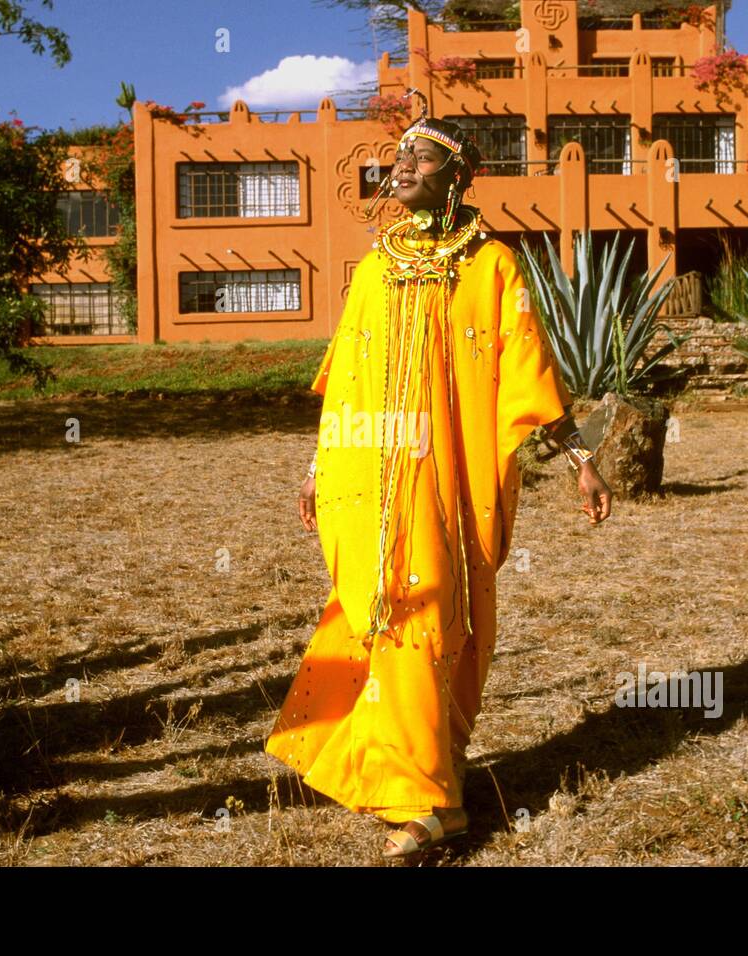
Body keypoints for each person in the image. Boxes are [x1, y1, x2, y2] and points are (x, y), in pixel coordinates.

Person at [264, 91, 613, 860]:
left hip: (446, 485)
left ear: (459, 176)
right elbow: (346, 380)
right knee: (378, 614)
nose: (403, 168)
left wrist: (581, 457)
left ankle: (428, 796)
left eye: (422, 158)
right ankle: (431, 797)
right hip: (369, 478)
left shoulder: (491, 265)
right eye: (399, 158)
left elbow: (528, 371)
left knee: (433, 620)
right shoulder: (372, 272)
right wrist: (319, 467)